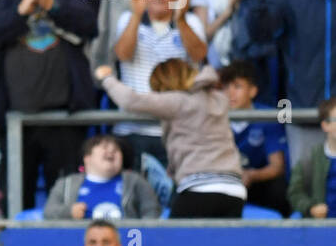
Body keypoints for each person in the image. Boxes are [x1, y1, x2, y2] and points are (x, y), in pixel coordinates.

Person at [0, 0, 97, 214]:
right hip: (16, 121)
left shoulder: (72, 1)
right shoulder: (5, 3)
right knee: (14, 197)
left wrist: (51, 5)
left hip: (65, 121)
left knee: (67, 199)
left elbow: (89, 26)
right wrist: (22, 10)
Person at [97, 58, 246, 218]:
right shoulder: (217, 97)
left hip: (200, 187)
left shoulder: (177, 101)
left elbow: (130, 101)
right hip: (235, 189)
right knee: (219, 243)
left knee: (173, 241)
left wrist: (107, 78)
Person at [242, 0, 336, 160]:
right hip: (299, 111)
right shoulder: (287, 0)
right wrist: (257, 2)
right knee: (303, 188)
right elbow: (259, 33)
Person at [111, 0, 208, 169]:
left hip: (178, 128)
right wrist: (137, 16)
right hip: (133, 128)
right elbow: (123, 54)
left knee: (177, 194)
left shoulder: (191, 22)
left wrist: (180, 19)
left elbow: (199, 55)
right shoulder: (127, 20)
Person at [219, 60, 291, 217]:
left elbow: (277, 166)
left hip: (256, 182)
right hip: (223, 181)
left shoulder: (267, 117)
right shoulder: (214, 118)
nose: (230, 93)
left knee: (279, 189)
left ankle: (282, 232)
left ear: (253, 91)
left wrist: (251, 175)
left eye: (237, 87)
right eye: (225, 87)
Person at [43, 133, 162, 220]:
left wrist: (138, 242)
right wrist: (69, 212)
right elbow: (48, 213)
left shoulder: (135, 180)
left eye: (116, 150)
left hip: (127, 244)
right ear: (87, 158)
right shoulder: (66, 183)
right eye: (104, 147)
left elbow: (152, 212)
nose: (111, 151)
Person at [288, 95, 336, 218]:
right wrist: (311, 208)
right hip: (321, 229)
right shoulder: (310, 159)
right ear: (325, 125)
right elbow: (294, 193)